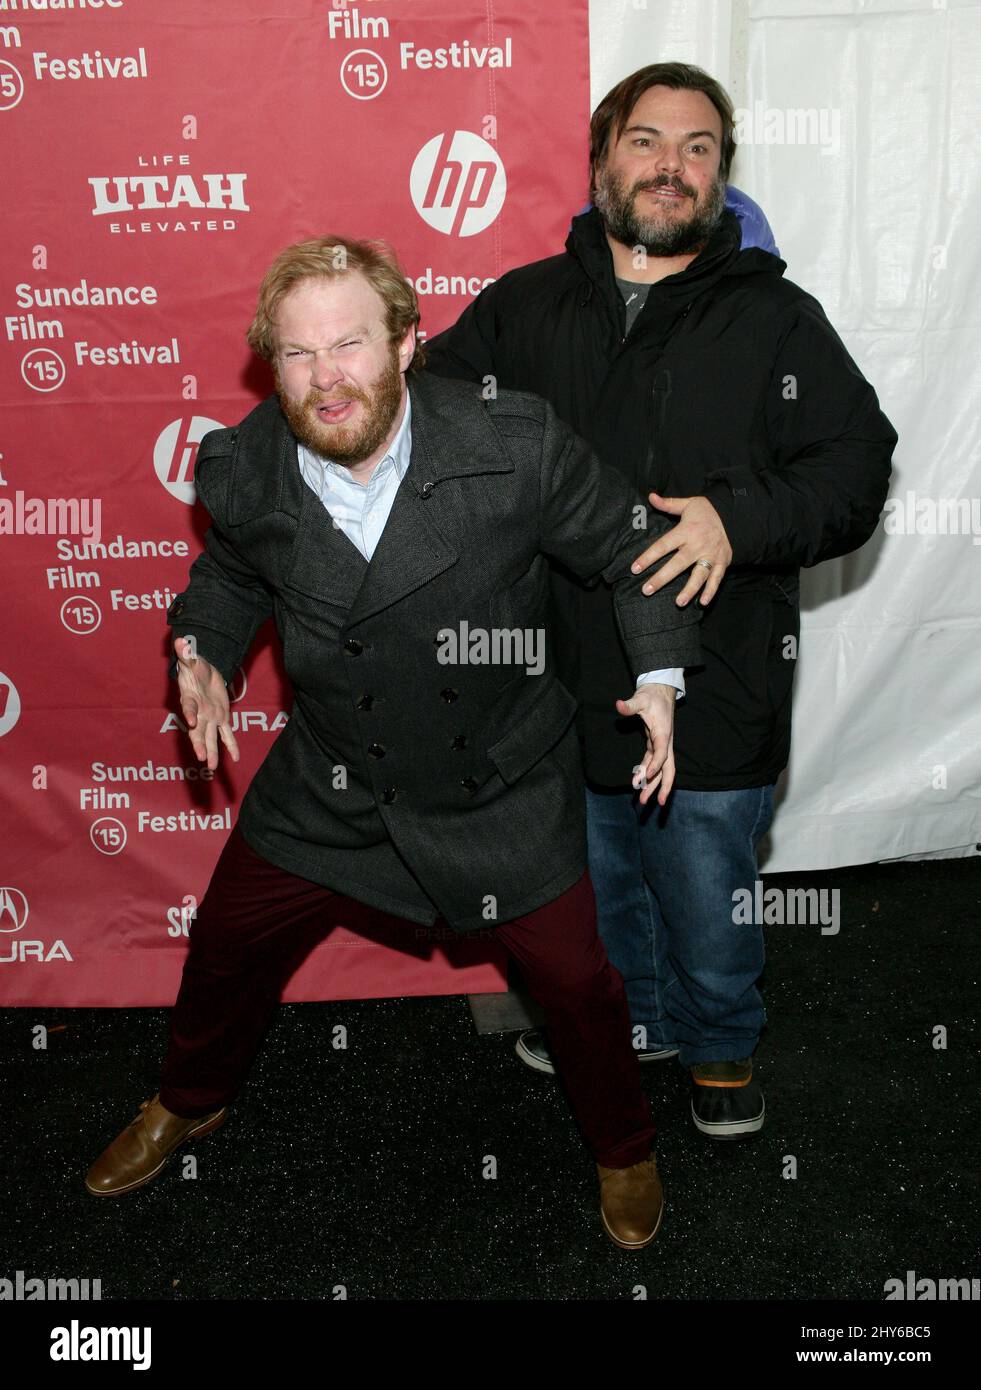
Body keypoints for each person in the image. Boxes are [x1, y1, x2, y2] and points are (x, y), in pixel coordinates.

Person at [84, 235, 702, 1250]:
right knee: (229, 942)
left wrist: (660, 678)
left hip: (497, 775)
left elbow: (637, 549)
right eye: (299, 354)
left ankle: (624, 1147)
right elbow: (231, 582)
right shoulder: (243, 466)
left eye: (351, 345)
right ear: (269, 363)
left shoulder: (515, 441)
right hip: (334, 774)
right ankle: (190, 1096)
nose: (328, 377)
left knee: (580, 988)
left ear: (409, 342)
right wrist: (205, 655)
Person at [425, 62, 897, 1138]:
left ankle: (721, 1045)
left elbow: (859, 467)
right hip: (562, 672)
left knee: (705, 877)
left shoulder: (778, 318)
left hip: (720, 670)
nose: (670, 168)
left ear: (724, 175)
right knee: (594, 875)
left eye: (698, 149)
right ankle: (633, 1021)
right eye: (647, 141)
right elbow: (425, 432)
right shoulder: (521, 307)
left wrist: (740, 520)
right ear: (602, 160)